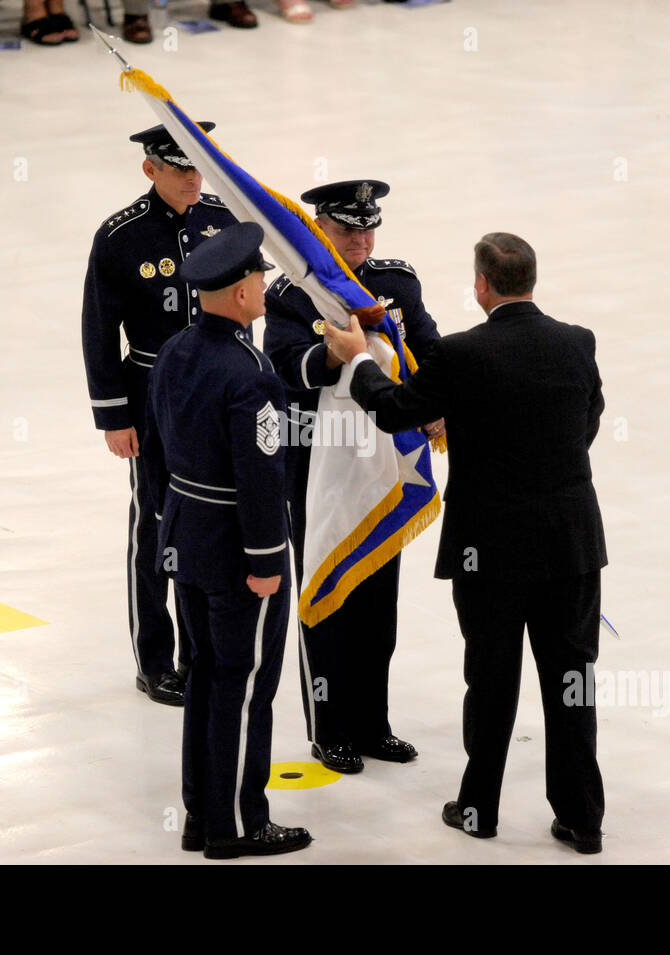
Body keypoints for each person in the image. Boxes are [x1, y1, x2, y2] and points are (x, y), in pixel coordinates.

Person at [324, 232, 608, 853]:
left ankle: (479, 808)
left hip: (491, 551)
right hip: (569, 546)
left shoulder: (461, 355)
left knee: (492, 680)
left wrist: (357, 359)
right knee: (573, 682)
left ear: (481, 286)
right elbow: (585, 422)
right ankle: (583, 820)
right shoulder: (576, 343)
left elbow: (396, 410)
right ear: (532, 279)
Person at [142, 221, 311, 859]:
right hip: (241, 552)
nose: (265, 284)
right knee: (244, 689)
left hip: (186, 538)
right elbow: (261, 476)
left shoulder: (176, 350)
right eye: (259, 277)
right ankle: (236, 825)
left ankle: (199, 814)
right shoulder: (252, 372)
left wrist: (169, 526)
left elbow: (155, 451)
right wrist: (268, 559)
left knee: (208, 676)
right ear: (240, 294)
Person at [263, 179, 442, 774]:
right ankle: (329, 727)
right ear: (319, 229)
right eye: (347, 228)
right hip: (319, 464)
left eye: (369, 227)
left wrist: (440, 400)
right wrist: (335, 355)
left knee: (376, 600)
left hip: (382, 461)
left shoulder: (395, 282)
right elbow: (289, 369)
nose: (362, 239)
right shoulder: (293, 294)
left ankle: (373, 722)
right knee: (328, 591)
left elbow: (429, 346)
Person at [81, 122, 238, 706]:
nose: (194, 179)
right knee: (155, 521)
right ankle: (155, 658)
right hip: (152, 391)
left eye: (198, 167)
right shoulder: (121, 236)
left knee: (218, 514)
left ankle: (210, 648)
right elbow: (99, 331)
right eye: (180, 170)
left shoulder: (223, 218)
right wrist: (113, 416)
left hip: (223, 388)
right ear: (150, 170)